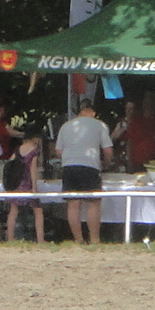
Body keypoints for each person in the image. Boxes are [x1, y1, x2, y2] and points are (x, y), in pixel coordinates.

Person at [56, 98, 113, 244]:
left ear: (80, 113)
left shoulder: (66, 126)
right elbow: (108, 150)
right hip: (89, 165)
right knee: (93, 202)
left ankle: (78, 239)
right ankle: (94, 239)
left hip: (69, 165)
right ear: (93, 112)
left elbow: (58, 151)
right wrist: (106, 164)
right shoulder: (100, 125)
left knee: (73, 204)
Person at [3, 135, 46, 244]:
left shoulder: (18, 150)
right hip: (27, 183)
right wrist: (34, 187)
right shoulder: (34, 151)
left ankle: (10, 238)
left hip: (16, 184)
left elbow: (9, 164)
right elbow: (33, 170)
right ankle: (40, 239)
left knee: (13, 211)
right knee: (38, 211)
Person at [121, 90, 155, 169]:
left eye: (152, 103)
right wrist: (129, 162)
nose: (149, 106)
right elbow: (129, 142)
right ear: (143, 104)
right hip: (138, 163)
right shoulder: (136, 121)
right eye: (147, 103)